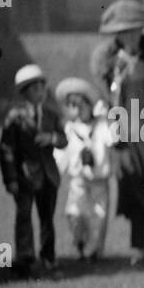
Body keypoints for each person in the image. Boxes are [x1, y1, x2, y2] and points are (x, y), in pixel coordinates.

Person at [91, 0, 144, 265]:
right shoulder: (110, 63)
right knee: (133, 186)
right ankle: (139, 244)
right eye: (122, 32)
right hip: (125, 134)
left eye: (134, 30)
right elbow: (106, 98)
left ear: (142, 30)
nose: (129, 37)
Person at [0, 64, 66, 276]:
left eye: (42, 87)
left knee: (48, 218)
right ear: (25, 92)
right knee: (24, 216)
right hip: (25, 175)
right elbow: (7, 149)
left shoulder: (51, 114)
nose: (40, 92)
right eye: (35, 88)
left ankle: (48, 256)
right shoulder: (16, 117)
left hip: (48, 174)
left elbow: (64, 139)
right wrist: (10, 178)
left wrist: (52, 138)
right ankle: (25, 257)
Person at [55, 77, 113, 262]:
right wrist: (57, 170)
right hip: (78, 179)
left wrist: (108, 117)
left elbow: (114, 139)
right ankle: (80, 241)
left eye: (81, 104)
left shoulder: (101, 126)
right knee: (74, 212)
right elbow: (61, 153)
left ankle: (93, 251)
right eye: (72, 105)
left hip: (98, 179)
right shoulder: (70, 129)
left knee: (99, 215)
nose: (78, 109)